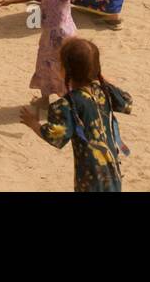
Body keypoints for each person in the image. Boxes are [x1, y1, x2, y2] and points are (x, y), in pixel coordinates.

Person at [0, 0, 124, 105]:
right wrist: (9, 1)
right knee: (45, 66)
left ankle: (73, 100)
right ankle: (44, 99)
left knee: (66, 69)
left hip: (64, 36)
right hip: (48, 36)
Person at [19, 38, 132, 192]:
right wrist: (99, 76)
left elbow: (56, 136)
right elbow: (127, 101)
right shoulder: (104, 92)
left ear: (63, 70)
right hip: (112, 173)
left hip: (89, 178)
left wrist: (33, 123)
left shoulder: (67, 104)